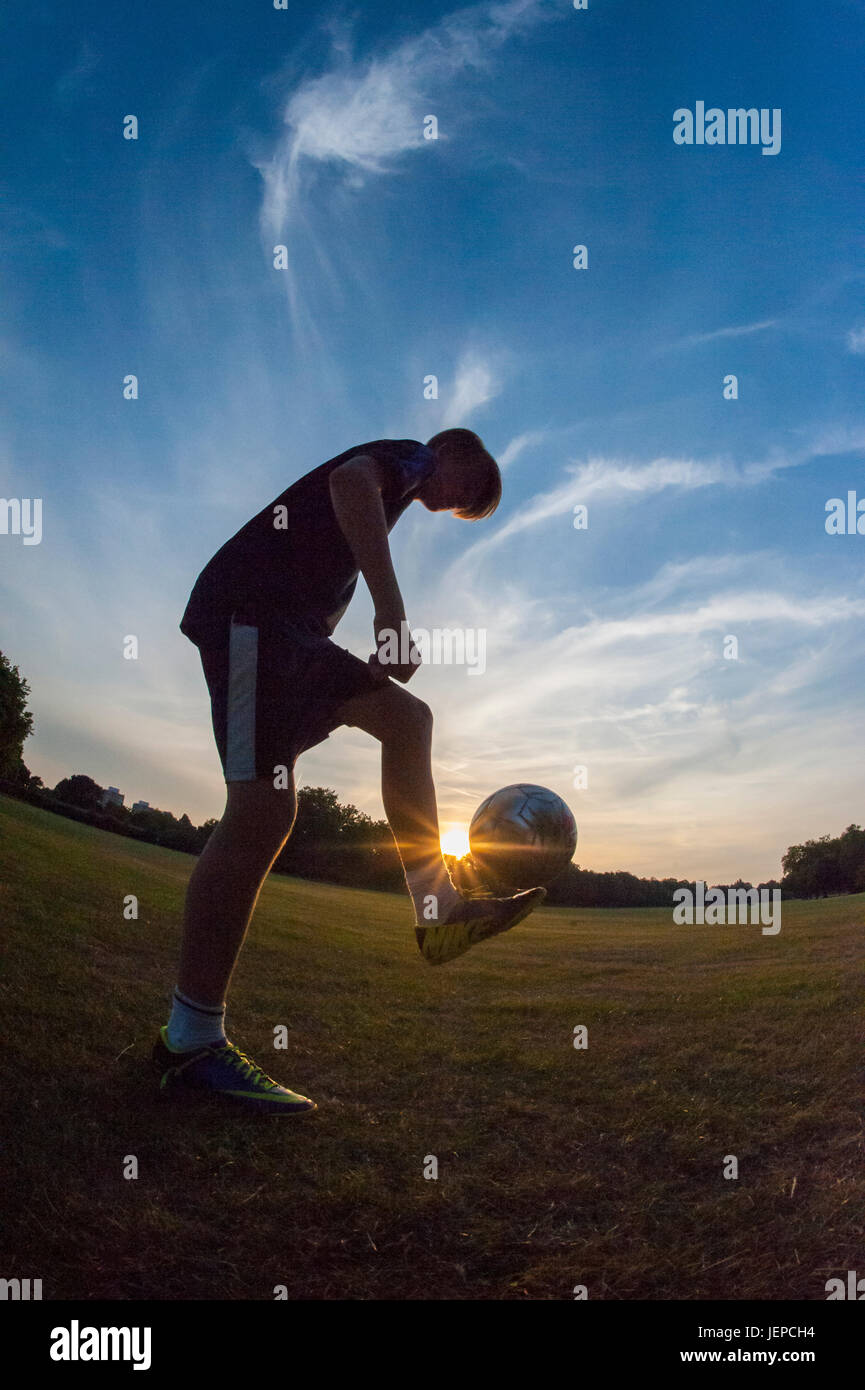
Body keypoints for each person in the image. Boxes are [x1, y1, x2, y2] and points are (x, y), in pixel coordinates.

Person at [152, 428, 545, 1114]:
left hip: (293, 636)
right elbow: (348, 484)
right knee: (261, 813)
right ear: (452, 452)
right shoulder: (407, 456)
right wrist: (389, 611)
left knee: (406, 720)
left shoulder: (402, 483)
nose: (457, 502)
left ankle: (436, 905)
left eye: (470, 503)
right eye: (469, 489)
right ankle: (190, 1044)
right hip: (253, 617)